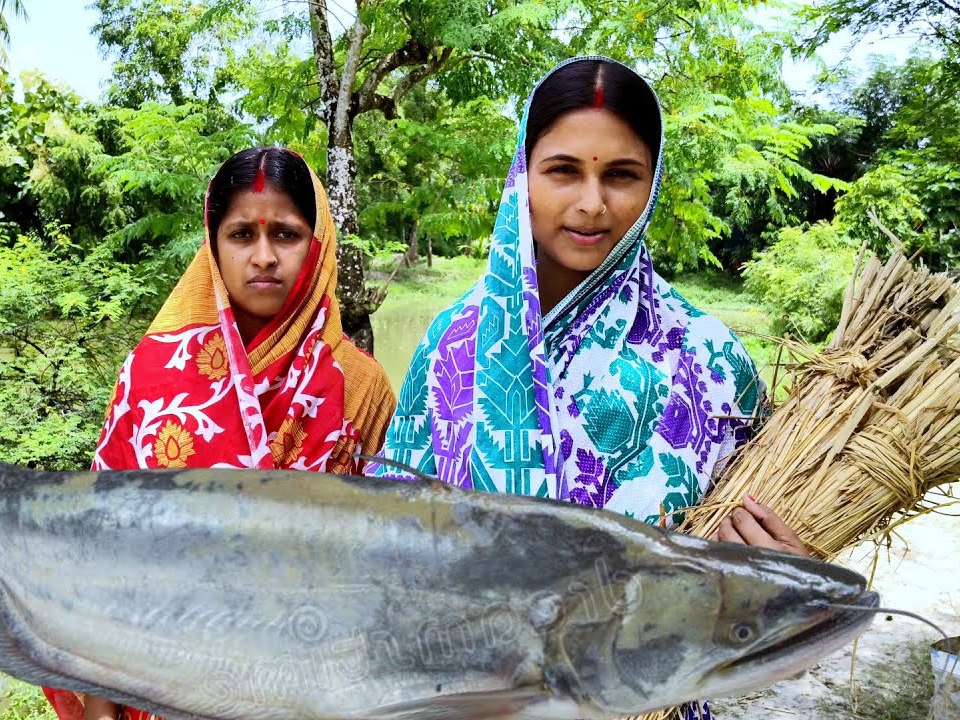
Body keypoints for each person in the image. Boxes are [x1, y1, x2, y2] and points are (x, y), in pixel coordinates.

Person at [367, 57, 805, 720]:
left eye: (621, 175)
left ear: (652, 185)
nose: (592, 203)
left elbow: (755, 553)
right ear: (524, 177)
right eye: (564, 170)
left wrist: (788, 572)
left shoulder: (708, 356)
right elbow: (391, 531)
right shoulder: (453, 341)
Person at [43, 147, 397, 720]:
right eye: (241, 235)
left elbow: (384, 580)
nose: (263, 257)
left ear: (318, 242)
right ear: (213, 245)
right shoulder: (153, 374)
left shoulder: (359, 387)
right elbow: (104, 560)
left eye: (285, 234)